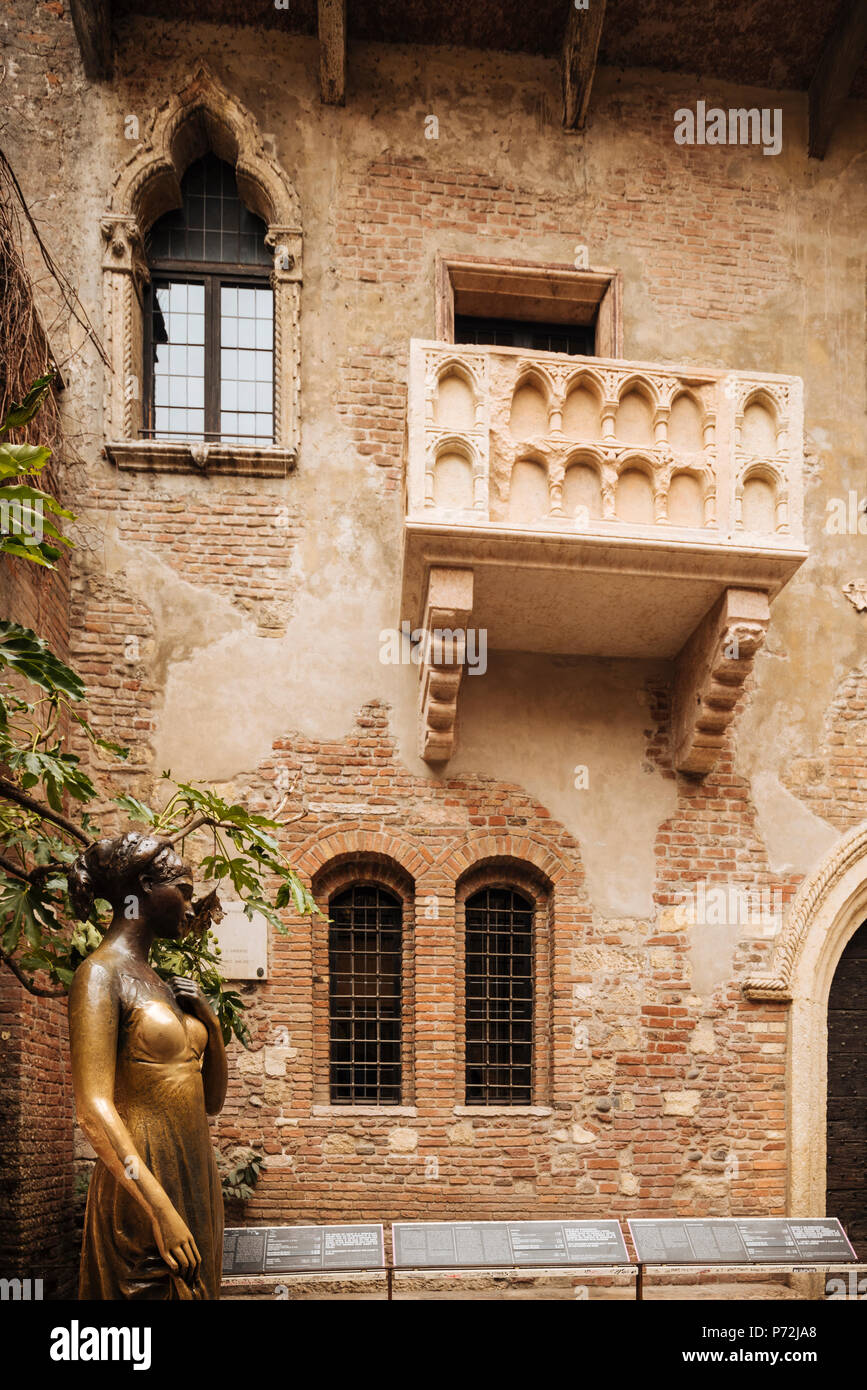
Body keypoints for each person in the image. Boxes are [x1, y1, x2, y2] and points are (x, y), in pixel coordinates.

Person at [67, 831, 227, 1299]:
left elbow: (212, 1101)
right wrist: (159, 1209)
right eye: (182, 890)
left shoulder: (161, 983)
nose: (190, 905)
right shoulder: (100, 974)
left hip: (194, 1168)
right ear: (141, 890)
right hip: (142, 1179)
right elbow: (93, 1108)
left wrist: (211, 1023)